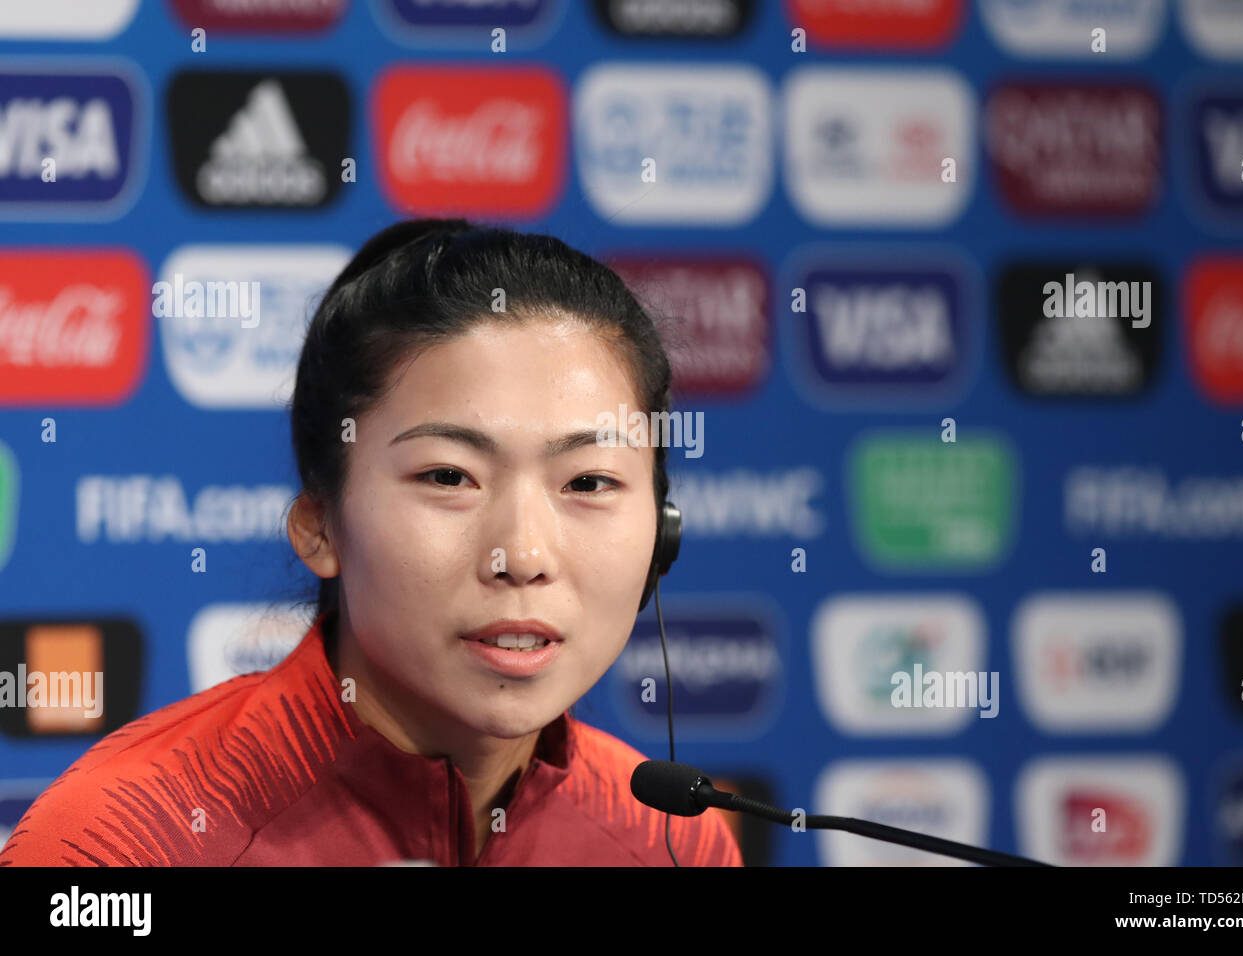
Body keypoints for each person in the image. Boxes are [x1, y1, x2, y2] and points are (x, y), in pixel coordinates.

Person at [0, 218, 742, 867]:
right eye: (450, 475)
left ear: (661, 531)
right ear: (321, 524)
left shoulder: (671, 839)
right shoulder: (119, 844)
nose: (523, 555)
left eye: (587, 483)